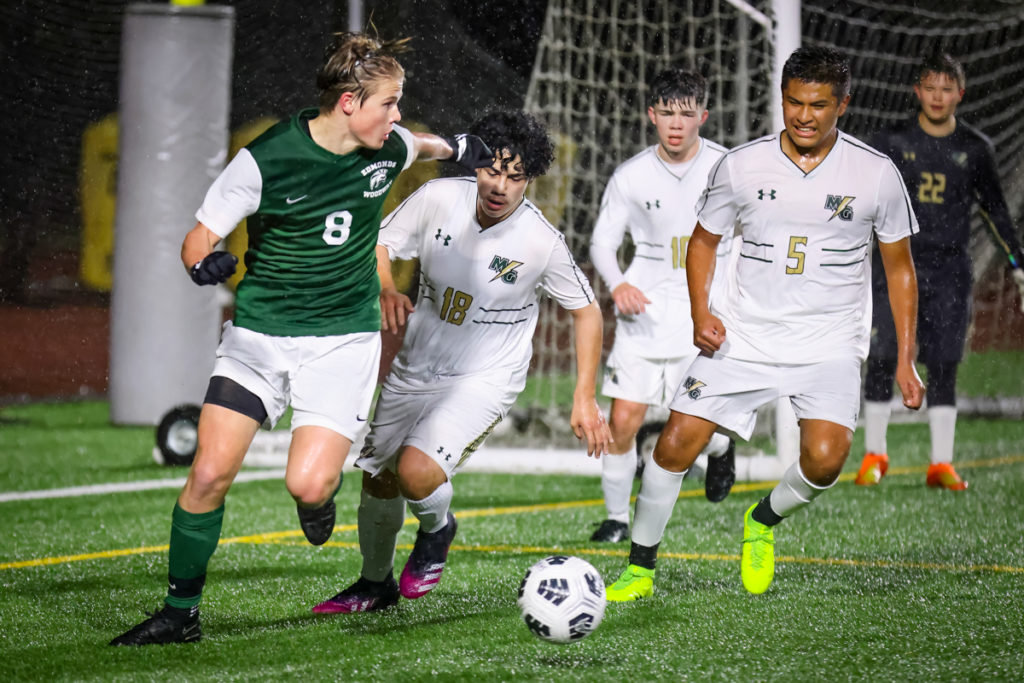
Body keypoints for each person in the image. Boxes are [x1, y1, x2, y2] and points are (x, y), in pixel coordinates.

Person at [110, 32, 493, 646]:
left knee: (308, 484)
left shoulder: (387, 146)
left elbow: (422, 145)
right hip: (258, 340)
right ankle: (179, 615)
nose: (396, 117)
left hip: (342, 343)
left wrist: (462, 147)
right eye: (388, 103)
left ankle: (317, 499)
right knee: (208, 473)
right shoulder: (266, 158)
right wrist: (201, 264)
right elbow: (197, 236)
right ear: (348, 101)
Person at [605, 45, 925, 601]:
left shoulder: (876, 174)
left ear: (842, 104)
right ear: (781, 98)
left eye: (819, 105)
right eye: (794, 102)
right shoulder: (742, 165)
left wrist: (903, 357)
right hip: (744, 335)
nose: (804, 115)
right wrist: (703, 314)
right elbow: (703, 245)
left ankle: (761, 523)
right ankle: (639, 569)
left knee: (825, 462)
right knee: (675, 444)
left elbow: (900, 270)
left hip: (828, 343)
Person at [310, 109, 612, 614]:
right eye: (492, 170)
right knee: (378, 476)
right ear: (477, 165)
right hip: (417, 364)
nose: (500, 185)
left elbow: (587, 311)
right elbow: (379, 243)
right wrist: (386, 287)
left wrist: (584, 397)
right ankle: (374, 584)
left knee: (416, 472)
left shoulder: (540, 242)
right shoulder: (437, 198)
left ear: (529, 180)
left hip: (484, 378)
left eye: (515, 177)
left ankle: (438, 528)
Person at [855, 52, 1024, 491]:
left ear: (960, 94)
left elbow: (996, 213)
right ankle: (874, 456)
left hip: (951, 269)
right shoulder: (891, 142)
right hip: (895, 266)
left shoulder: (975, 148)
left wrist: (1017, 262)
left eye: (947, 88)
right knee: (883, 356)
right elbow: (862, 198)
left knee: (944, 363)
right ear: (917, 91)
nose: (937, 96)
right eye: (930, 87)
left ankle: (941, 463)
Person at [587, 68, 735, 544]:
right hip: (645, 315)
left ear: (703, 117)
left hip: (704, 314)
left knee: (691, 426)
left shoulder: (726, 168)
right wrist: (617, 285)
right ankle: (615, 519)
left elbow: (750, 234)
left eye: (687, 114)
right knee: (623, 421)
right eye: (667, 113)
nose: (676, 123)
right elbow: (601, 245)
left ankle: (721, 445)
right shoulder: (630, 176)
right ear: (652, 115)